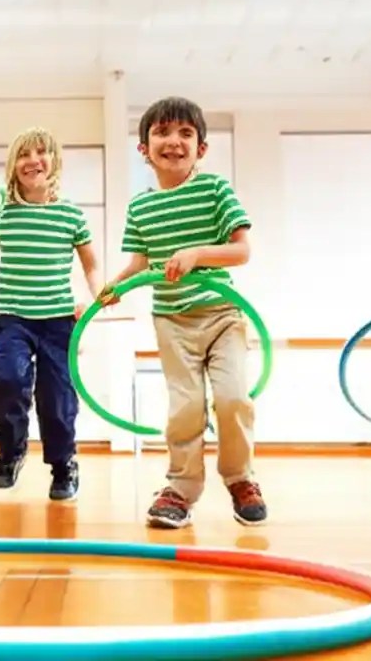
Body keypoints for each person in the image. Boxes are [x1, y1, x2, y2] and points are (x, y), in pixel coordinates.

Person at [100, 96, 265, 529]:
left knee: (232, 399)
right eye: (162, 132)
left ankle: (241, 478)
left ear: (201, 148)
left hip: (222, 315)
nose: (174, 141)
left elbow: (242, 250)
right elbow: (139, 266)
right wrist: (114, 288)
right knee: (186, 407)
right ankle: (181, 488)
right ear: (144, 148)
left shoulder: (215, 190)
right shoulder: (140, 207)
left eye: (186, 133)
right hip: (171, 319)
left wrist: (196, 253)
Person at [0, 127, 100, 500]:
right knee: (7, 382)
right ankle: (10, 453)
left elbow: (91, 266)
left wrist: (98, 295)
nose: (33, 161)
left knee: (57, 398)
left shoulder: (71, 215)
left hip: (59, 320)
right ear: (13, 166)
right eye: (24, 155)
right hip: (14, 320)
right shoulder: (2, 214)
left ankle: (63, 464)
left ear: (54, 162)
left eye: (41, 153)